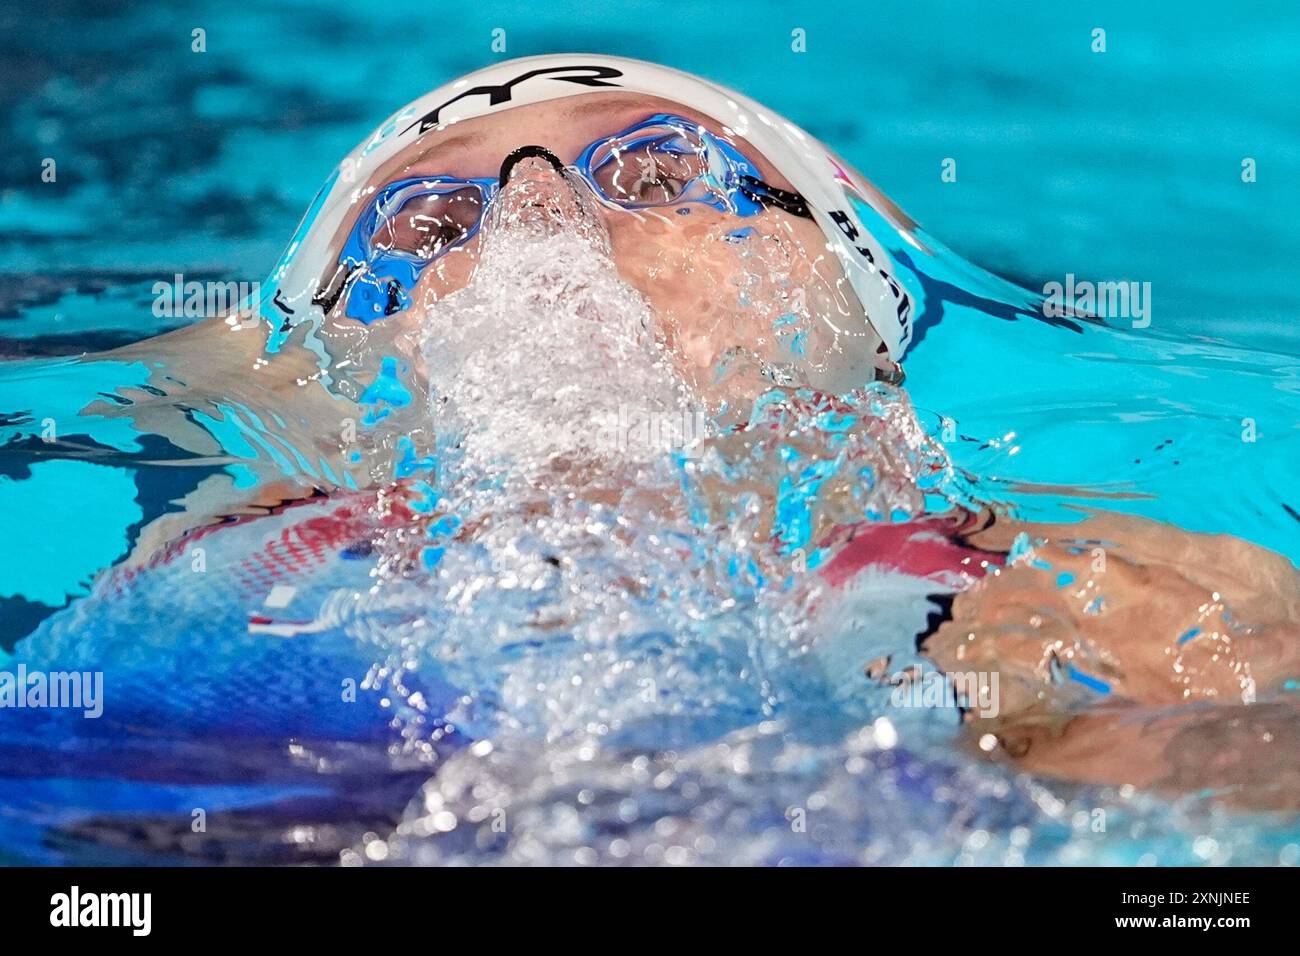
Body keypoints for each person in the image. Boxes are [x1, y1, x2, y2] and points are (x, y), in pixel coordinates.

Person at [81, 55, 1298, 807]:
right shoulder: (223, 592)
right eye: (431, 224)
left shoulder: (1094, 599)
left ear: (865, 296)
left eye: (659, 177)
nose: (538, 218)